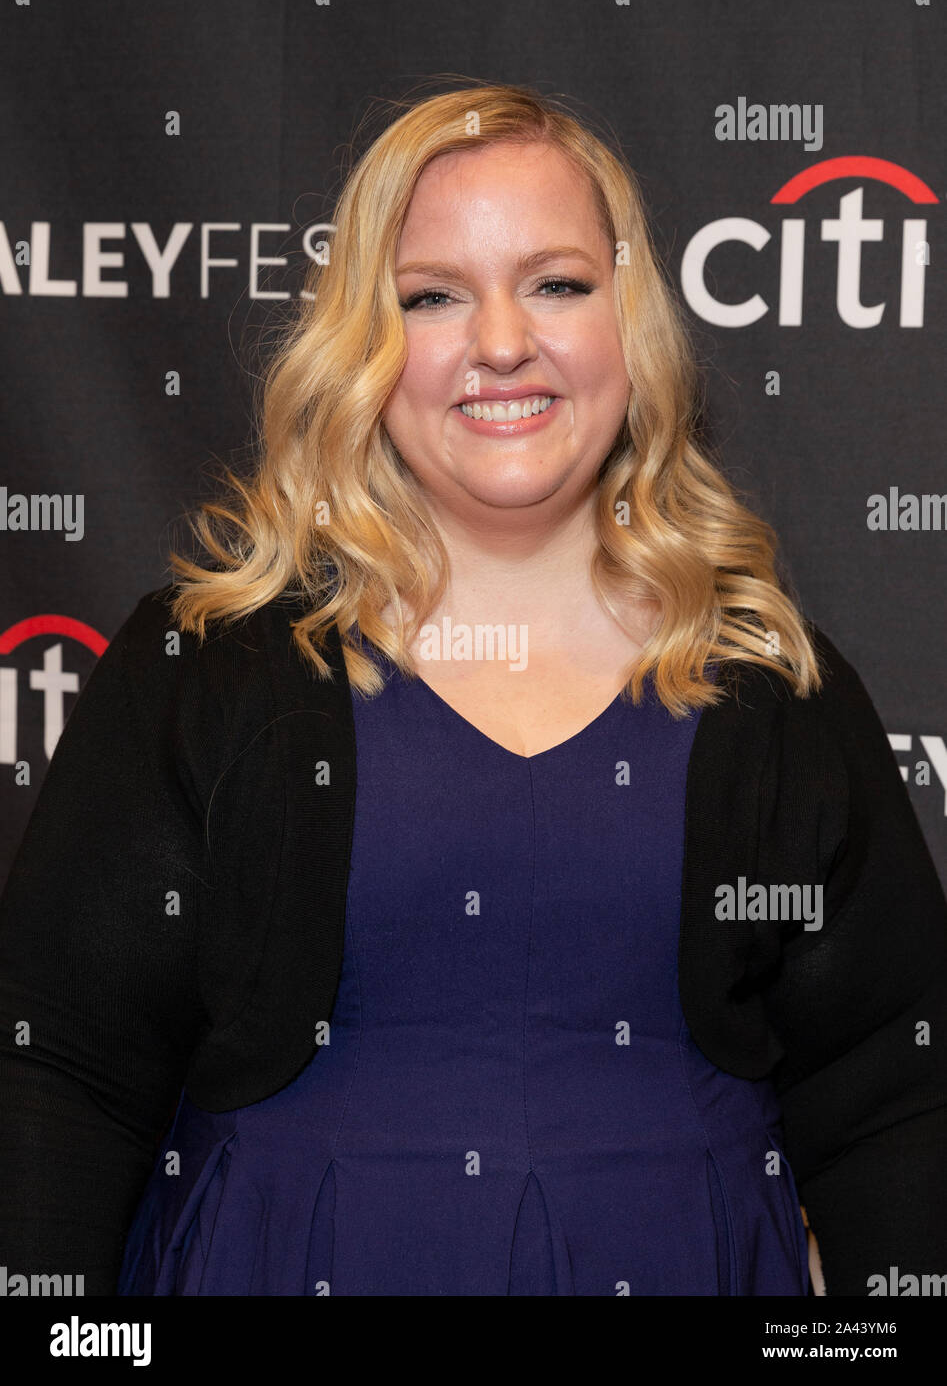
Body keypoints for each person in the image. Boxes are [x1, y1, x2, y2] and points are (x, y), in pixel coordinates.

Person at [1, 82, 946, 1298]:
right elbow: (61, 1071)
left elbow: (894, 1096)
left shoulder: (771, 684)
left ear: (631, 318)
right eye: (432, 296)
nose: (501, 341)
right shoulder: (210, 662)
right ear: (363, 345)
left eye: (555, 282)